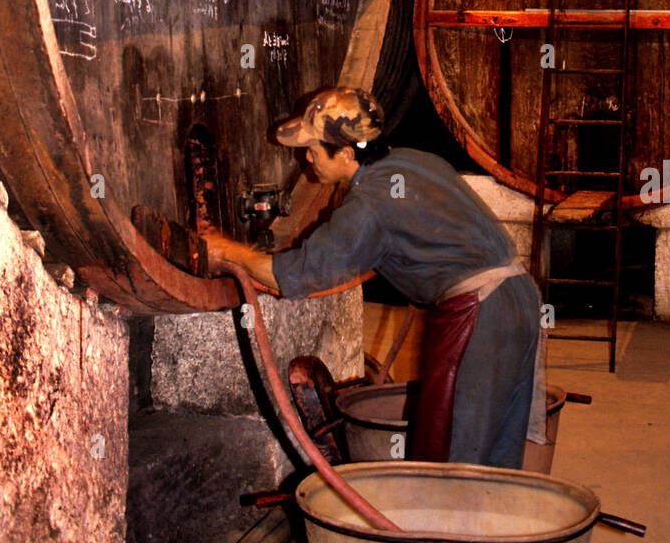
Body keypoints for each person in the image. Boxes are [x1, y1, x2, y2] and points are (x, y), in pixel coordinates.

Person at [204, 85, 541, 468]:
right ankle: (497, 525)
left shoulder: (368, 206)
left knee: (450, 459)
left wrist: (227, 249)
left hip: (479, 317)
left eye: (313, 150)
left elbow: (290, 276)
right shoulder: (416, 161)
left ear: (346, 153)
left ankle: (446, 528)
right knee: (497, 454)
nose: (307, 158)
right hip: (519, 297)